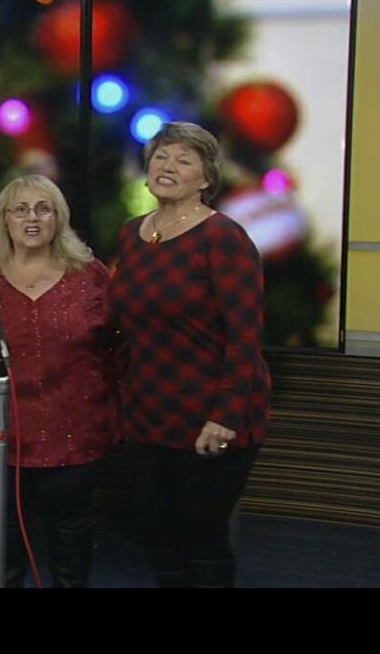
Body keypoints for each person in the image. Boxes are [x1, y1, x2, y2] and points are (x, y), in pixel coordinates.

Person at [0, 174, 118, 588]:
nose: (31, 218)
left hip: (75, 431)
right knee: (3, 534)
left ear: (59, 218)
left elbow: (115, 349)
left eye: (43, 208)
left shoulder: (91, 276)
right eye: (20, 209)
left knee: (71, 536)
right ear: (3, 220)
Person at [107, 122, 271, 588]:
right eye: (161, 156)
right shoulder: (132, 235)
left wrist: (223, 415)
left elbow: (244, 337)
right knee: (154, 529)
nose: (168, 166)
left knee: (201, 535)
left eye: (183, 159)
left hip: (211, 415)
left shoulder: (224, 239)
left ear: (205, 179)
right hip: (149, 413)